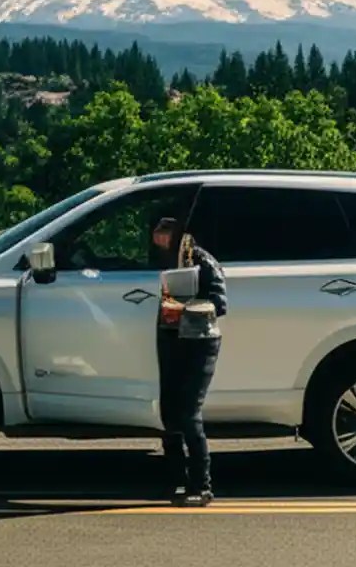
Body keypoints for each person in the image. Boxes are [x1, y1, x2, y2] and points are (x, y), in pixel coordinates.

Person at [150, 217, 226, 507]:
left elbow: (220, 303)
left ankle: (201, 484)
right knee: (169, 411)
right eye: (157, 230)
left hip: (199, 342)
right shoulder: (160, 261)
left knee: (188, 412)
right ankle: (175, 480)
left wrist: (183, 308)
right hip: (170, 341)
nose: (159, 235)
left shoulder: (201, 260)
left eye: (165, 230)